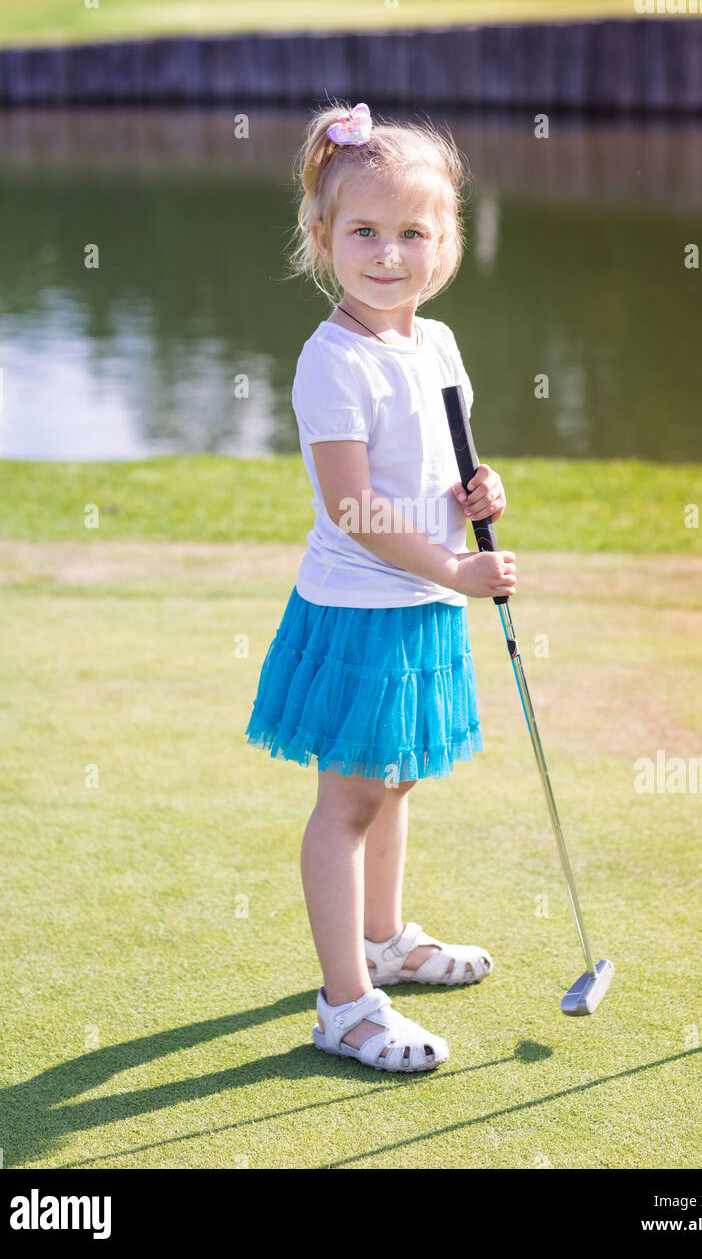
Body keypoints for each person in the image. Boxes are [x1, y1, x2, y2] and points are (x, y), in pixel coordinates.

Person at [245, 100, 516, 1073]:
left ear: (446, 241)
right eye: (364, 231)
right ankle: (344, 1004)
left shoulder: (433, 343)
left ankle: (383, 938)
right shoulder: (333, 361)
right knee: (350, 802)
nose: (389, 253)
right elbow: (355, 506)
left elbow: (435, 467)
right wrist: (455, 565)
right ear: (322, 239)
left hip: (422, 602)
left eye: (412, 232)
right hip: (364, 611)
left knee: (397, 780)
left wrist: (476, 491)